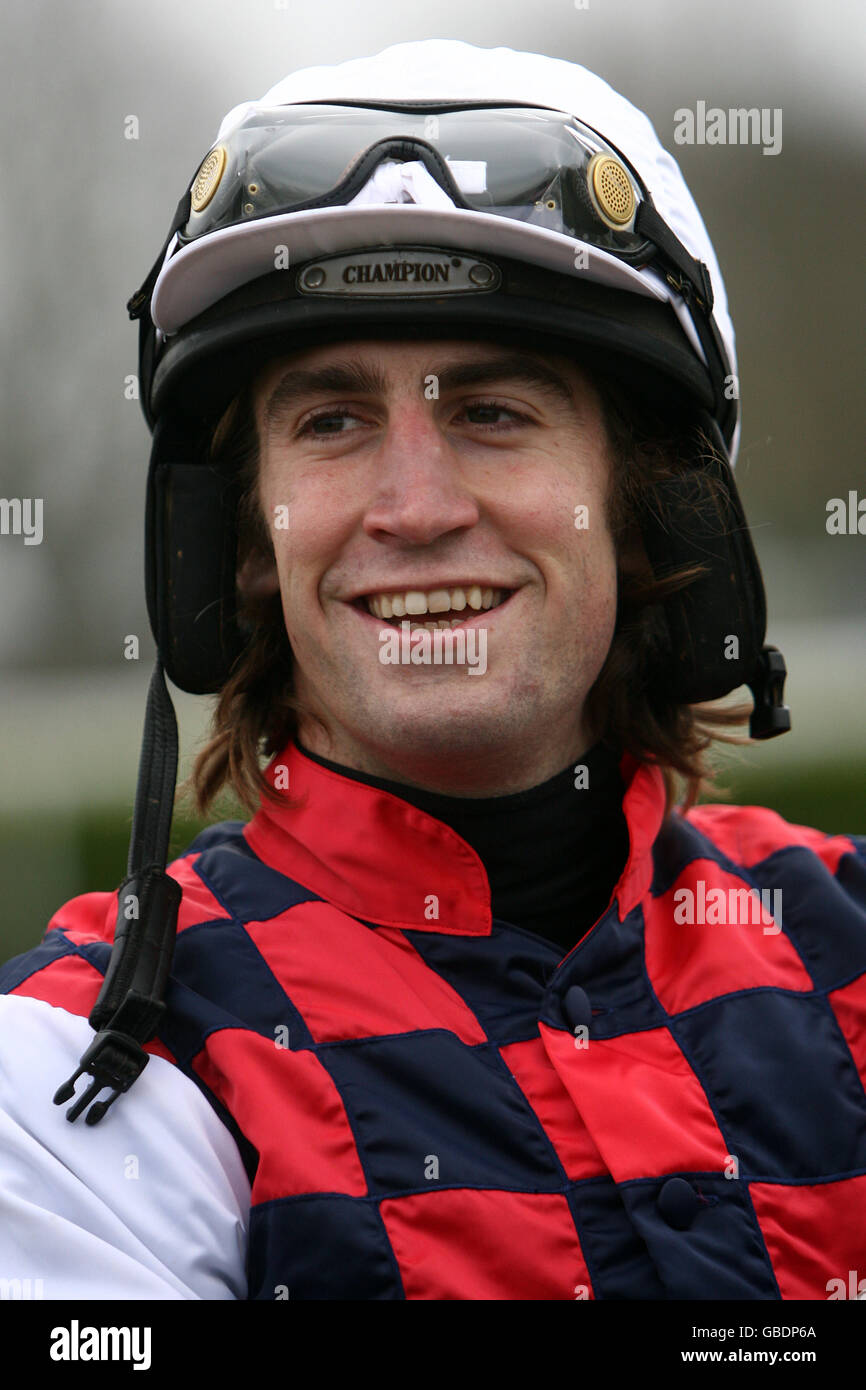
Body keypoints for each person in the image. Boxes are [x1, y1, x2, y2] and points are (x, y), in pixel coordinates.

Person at [1, 38, 864, 1303]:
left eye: (492, 411)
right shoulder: (74, 1063)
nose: (412, 507)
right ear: (240, 543)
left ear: (646, 513)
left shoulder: (839, 940)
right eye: (333, 421)